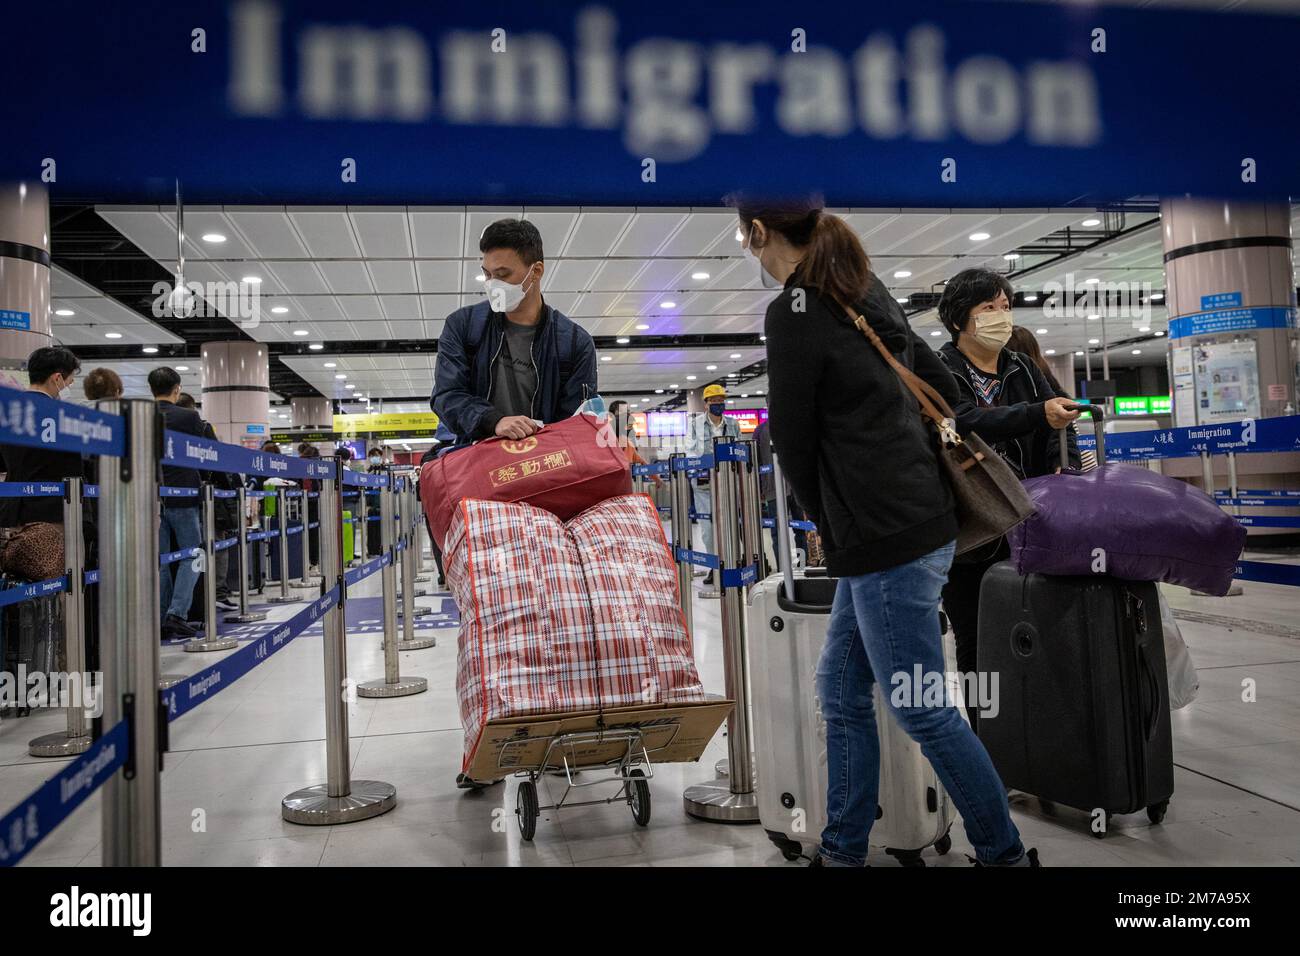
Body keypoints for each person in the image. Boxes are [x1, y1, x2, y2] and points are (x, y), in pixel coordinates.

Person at [738, 195, 1036, 868]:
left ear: (760, 233)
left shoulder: (793, 311)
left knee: (920, 706)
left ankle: (1004, 852)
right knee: (842, 692)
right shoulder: (862, 290)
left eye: (748, 243)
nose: (751, 255)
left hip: (883, 535)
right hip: (916, 518)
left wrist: (824, 520)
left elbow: (791, 435)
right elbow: (936, 383)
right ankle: (843, 848)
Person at [935, 270, 1081, 729]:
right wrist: (1035, 413)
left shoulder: (1023, 368)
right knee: (976, 635)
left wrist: (1066, 463)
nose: (1001, 316)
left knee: (1033, 627)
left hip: (1029, 517)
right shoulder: (942, 369)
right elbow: (958, 421)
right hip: (972, 526)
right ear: (961, 318)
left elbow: (1065, 418)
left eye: (1005, 306)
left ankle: (1034, 735)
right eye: (988, 308)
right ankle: (988, 734)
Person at [431, 218, 597, 450]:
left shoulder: (574, 343)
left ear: (536, 271)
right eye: (487, 274)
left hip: (544, 467)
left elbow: (576, 422)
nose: (492, 284)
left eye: (502, 274)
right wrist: (493, 421)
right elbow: (446, 395)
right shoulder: (463, 326)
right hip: (479, 462)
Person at [151, 366, 209, 639]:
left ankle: (162, 616)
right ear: (177, 389)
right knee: (194, 555)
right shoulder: (189, 417)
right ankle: (177, 613)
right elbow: (204, 453)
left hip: (152, 497)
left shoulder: (139, 416)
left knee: (162, 561)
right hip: (184, 495)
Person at [684, 383, 740, 587]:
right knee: (708, 528)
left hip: (726, 482)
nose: (718, 403)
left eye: (721, 400)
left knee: (728, 524)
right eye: (714, 401)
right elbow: (691, 450)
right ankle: (715, 567)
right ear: (706, 404)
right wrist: (702, 466)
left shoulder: (732, 424)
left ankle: (731, 564)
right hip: (704, 484)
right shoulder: (696, 424)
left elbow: (737, 449)